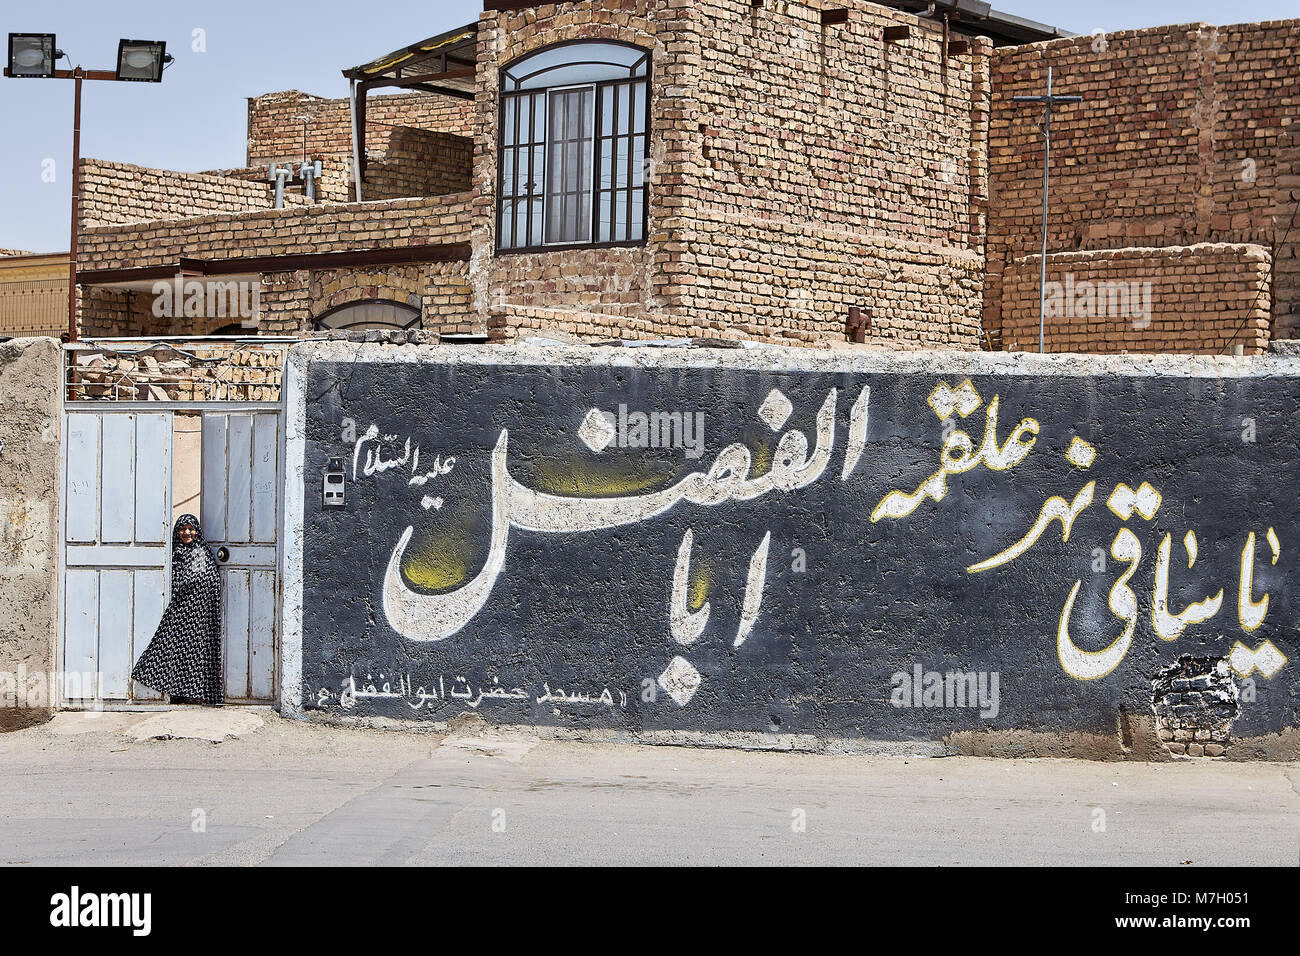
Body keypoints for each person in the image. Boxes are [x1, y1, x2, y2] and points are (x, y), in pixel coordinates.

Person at [131, 514, 224, 706]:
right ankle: (176, 693)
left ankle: (196, 694)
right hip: (179, 612)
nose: (187, 532)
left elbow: (212, 580)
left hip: (201, 614)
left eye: (191, 529)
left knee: (199, 653)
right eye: (183, 529)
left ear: (197, 531)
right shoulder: (173, 554)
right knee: (174, 651)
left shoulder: (203, 552)